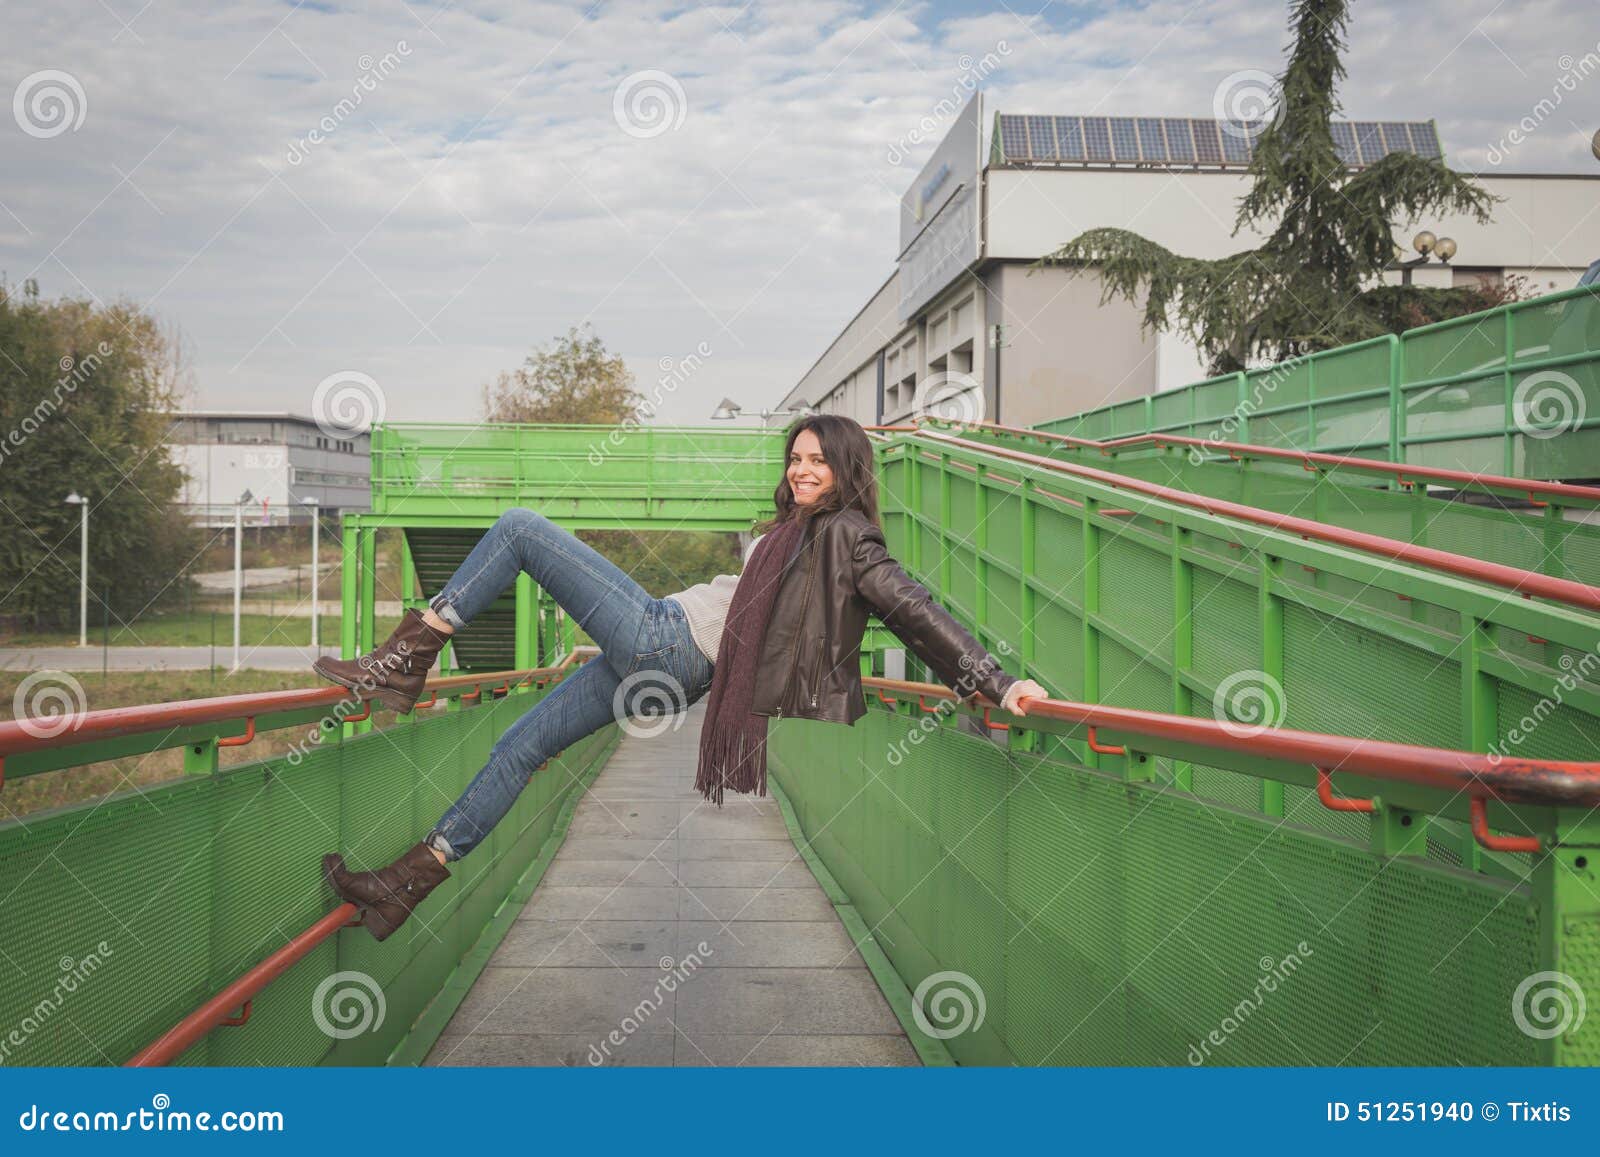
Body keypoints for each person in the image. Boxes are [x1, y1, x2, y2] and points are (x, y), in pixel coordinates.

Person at [316, 414, 1047, 941]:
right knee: (521, 744)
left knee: (517, 527)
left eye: (818, 460)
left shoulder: (849, 538)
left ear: (847, 469)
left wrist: (997, 680)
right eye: (795, 457)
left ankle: (406, 657)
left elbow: (914, 609)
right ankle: (407, 880)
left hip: (665, 645)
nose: (801, 469)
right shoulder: (795, 532)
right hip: (670, 666)